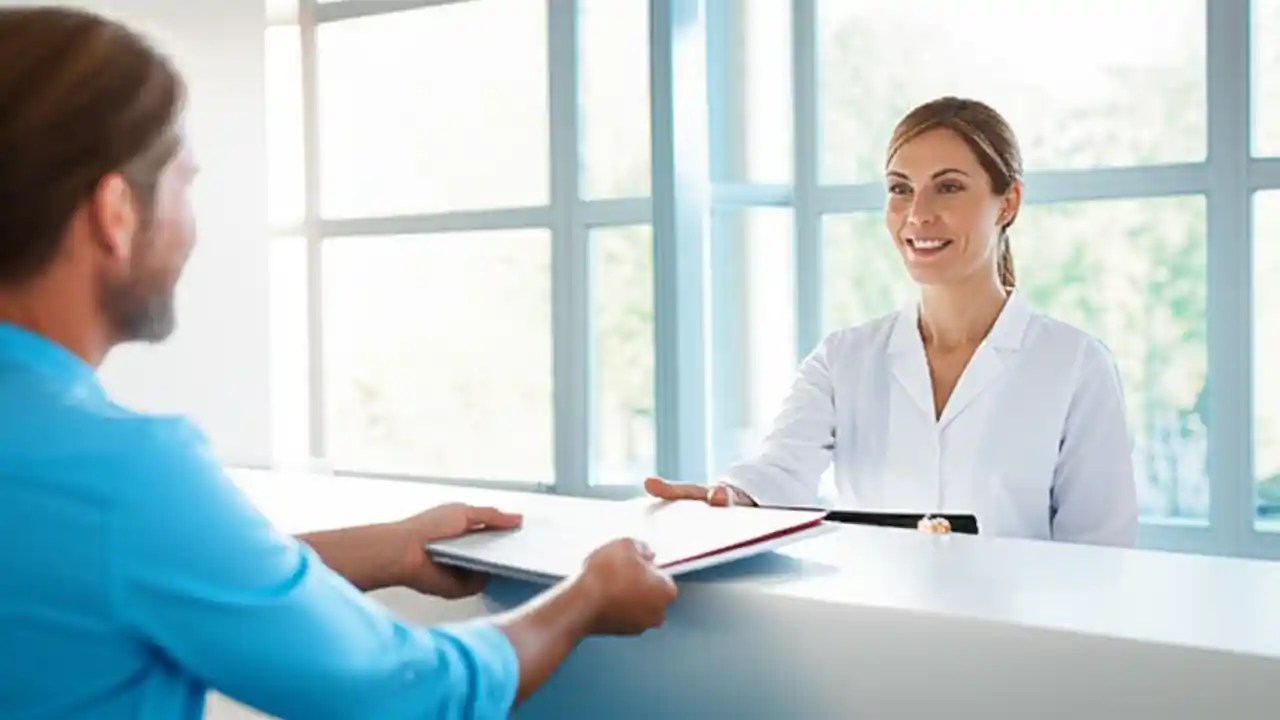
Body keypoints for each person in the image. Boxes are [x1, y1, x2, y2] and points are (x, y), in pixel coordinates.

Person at [0, 8, 675, 720]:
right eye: (183, 185)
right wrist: (583, 600)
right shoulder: (121, 474)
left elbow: (100, 573)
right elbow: (403, 690)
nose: (192, 227)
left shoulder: (83, 492)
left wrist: (385, 550)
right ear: (115, 212)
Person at [650, 97, 1138, 547]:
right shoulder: (843, 359)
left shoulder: (1074, 365)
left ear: (1007, 203)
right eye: (900, 189)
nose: (918, 214)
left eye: (948, 188)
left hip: (1021, 640)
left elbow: (1101, 554)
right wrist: (728, 498)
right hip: (874, 632)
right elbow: (780, 471)